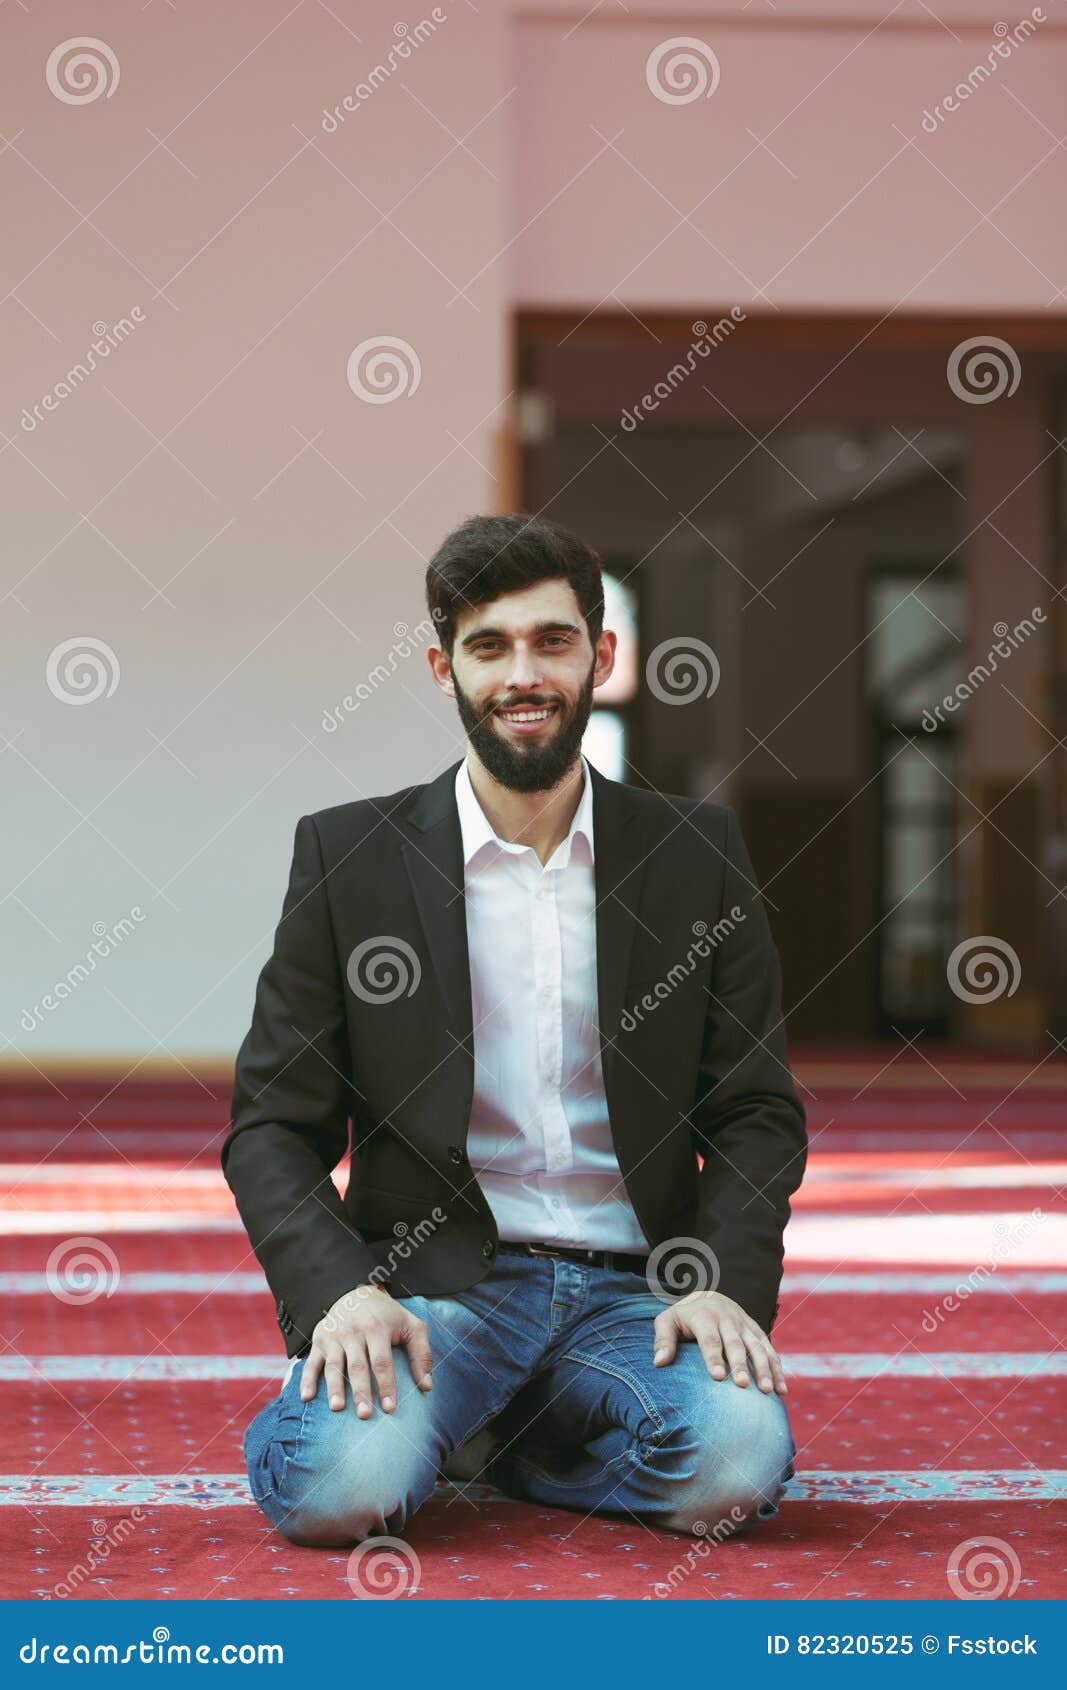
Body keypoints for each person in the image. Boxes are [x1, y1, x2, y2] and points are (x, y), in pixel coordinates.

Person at [223, 513, 806, 1549]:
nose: (522, 674)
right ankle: (434, 1422)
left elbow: (755, 1107)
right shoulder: (349, 858)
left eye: (551, 640)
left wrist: (720, 1282)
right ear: (444, 669)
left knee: (733, 1465)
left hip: (635, 1289)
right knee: (338, 1487)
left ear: (601, 654)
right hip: (436, 1289)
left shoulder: (694, 854)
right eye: (489, 647)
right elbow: (272, 1123)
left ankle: (504, 1446)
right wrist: (337, 1295)